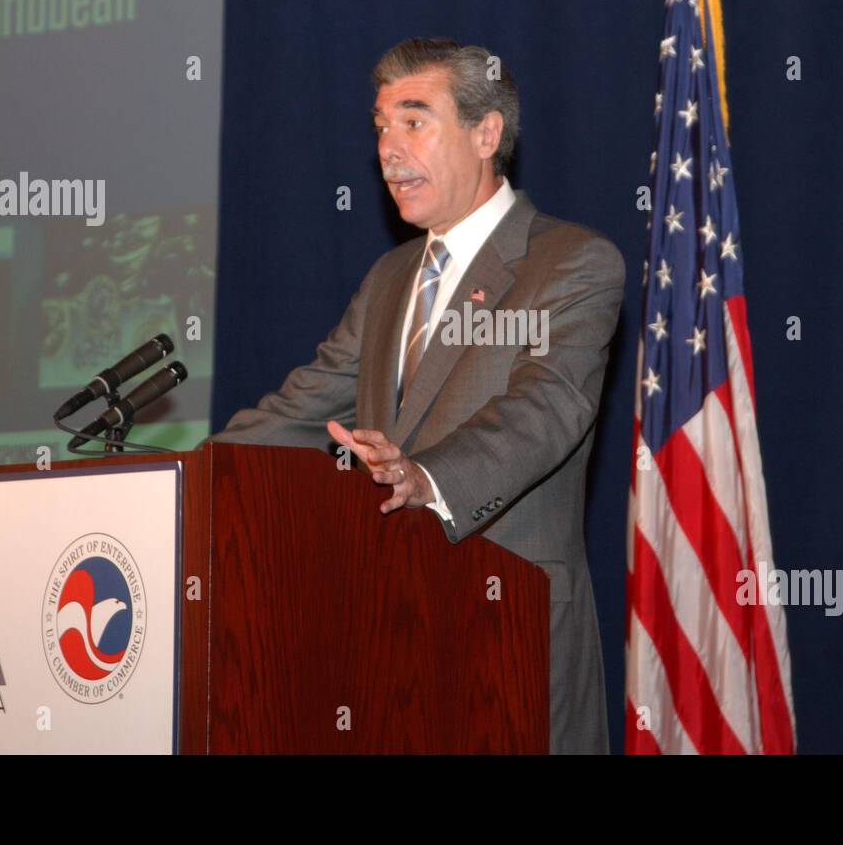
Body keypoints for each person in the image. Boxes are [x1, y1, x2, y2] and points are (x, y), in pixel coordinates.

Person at [210, 37, 624, 754]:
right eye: (379, 127)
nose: (389, 149)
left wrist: (426, 477)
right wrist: (176, 477)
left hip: (508, 642)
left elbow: (547, 407)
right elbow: (299, 412)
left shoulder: (572, 262)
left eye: (414, 120)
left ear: (486, 132)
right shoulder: (389, 278)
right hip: (386, 652)